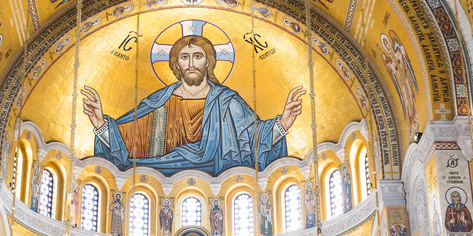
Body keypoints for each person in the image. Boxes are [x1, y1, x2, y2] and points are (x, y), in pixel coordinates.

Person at [81, 35, 305, 176]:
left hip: (221, 176)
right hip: (161, 176)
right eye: (184, 57)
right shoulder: (159, 102)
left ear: (208, 62)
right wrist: (101, 124)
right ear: (176, 64)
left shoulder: (227, 101)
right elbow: (126, 139)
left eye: (197, 56)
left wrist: (282, 124)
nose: (190, 63)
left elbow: (254, 136)